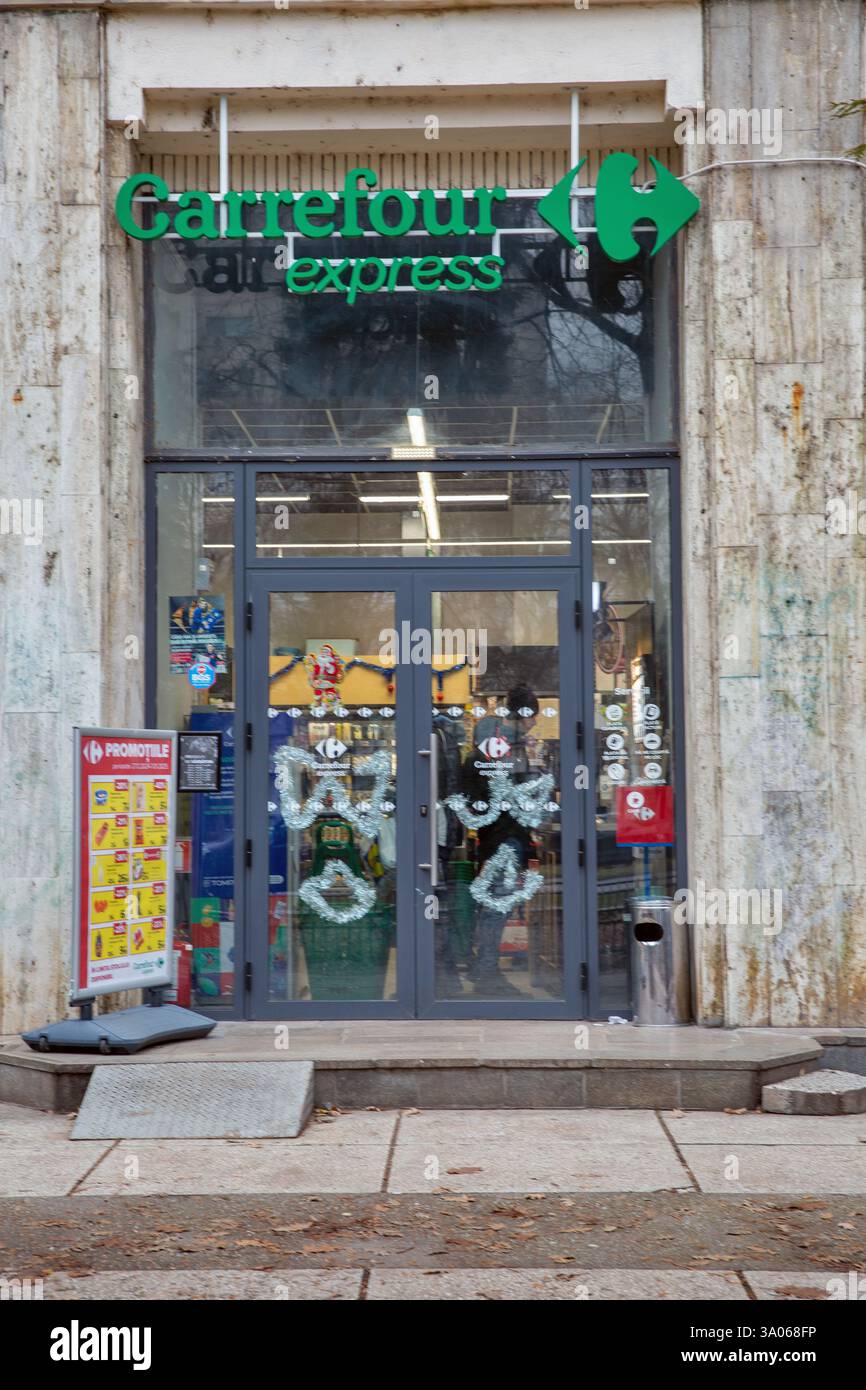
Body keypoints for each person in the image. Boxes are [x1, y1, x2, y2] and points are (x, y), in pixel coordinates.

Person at [462, 683, 541, 997]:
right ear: (521, 715)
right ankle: (486, 974)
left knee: (494, 905)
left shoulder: (490, 748)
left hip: (496, 836)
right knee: (497, 906)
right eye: (532, 716)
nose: (535, 722)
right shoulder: (505, 751)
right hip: (504, 837)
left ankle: (484, 968)